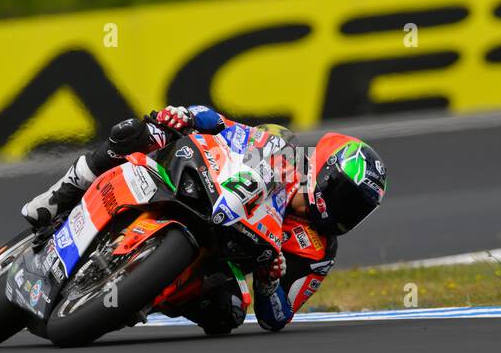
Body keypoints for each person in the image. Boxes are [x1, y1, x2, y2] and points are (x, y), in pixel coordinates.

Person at [21, 105, 387, 333]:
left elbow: (277, 317)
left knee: (228, 313)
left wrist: (267, 283)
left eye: (359, 209)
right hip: (203, 183)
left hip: (223, 257)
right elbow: (226, 126)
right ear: (326, 172)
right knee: (132, 131)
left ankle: (139, 292)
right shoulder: (283, 153)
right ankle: (58, 196)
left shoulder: (320, 252)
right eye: (347, 199)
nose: (346, 212)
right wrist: (188, 116)